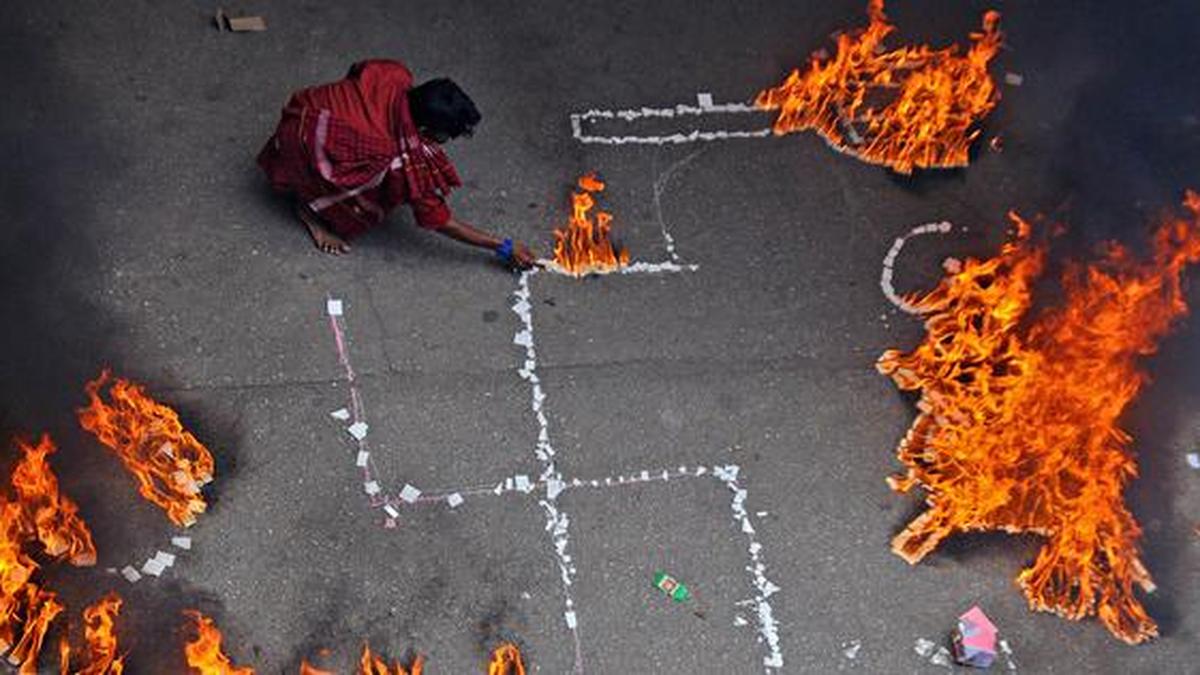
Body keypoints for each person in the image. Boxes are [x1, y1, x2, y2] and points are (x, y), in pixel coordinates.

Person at [258, 59, 537, 269]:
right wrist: (503, 246)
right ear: (425, 127)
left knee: (383, 165)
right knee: (384, 175)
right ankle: (311, 212)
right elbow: (439, 220)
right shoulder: (397, 158)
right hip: (302, 147)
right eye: (443, 136)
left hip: (302, 113)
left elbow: (355, 71)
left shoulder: (393, 75)